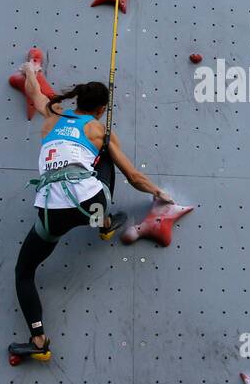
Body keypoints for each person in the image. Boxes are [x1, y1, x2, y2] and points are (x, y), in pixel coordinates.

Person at [11, 60, 172, 361]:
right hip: (90, 205)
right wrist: (159, 193)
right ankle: (104, 223)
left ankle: (39, 339)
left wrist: (30, 71)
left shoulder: (52, 115)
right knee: (106, 155)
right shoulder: (98, 129)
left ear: (77, 101)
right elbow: (134, 176)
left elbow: (35, 94)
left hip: (51, 211)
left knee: (24, 272)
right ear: (100, 110)